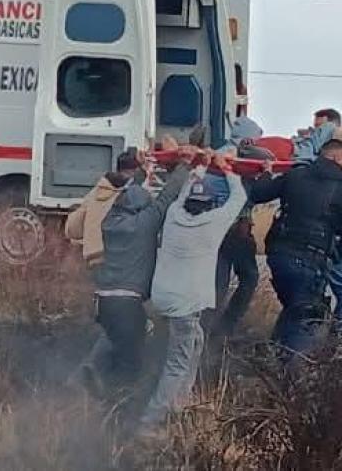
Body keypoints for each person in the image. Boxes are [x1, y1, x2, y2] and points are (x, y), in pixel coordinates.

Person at [139, 158, 246, 434]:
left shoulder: (174, 214)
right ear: (209, 206)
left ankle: (180, 404)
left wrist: (200, 168)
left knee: (195, 341)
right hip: (184, 305)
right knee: (177, 363)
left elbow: (185, 191)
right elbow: (240, 197)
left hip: (160, 297)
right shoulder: (213, 224)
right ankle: (150, 423)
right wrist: (227, 169)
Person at [76, 145, 192, 394]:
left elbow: (125, 194)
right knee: (130, 363)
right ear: (141, 208)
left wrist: (141, 171)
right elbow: (167, 196)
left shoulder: (110, 220)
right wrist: (184, 166)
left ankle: (92, 379)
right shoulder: (144, 223)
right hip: (128, 303)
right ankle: (118, 406)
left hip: (103, 300)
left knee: (115, 341)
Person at [249, 138, 342, 360]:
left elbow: (258, 194)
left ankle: (269, 356)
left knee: (295, 307)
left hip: (279, 255)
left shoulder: (295, 174)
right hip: (309, 260)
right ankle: (290, 379)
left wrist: (265, 173)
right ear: (337, 158)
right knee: (306, 318)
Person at [211, 117, 272, 339]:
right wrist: (266, 172)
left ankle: (207, 327)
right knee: (249, 277)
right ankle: (225, 327)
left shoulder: (218, 154)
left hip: (215, 228)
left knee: (218, 282)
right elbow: (267, 161)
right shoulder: (241, 157)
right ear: (247, 140)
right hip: (236, 229)